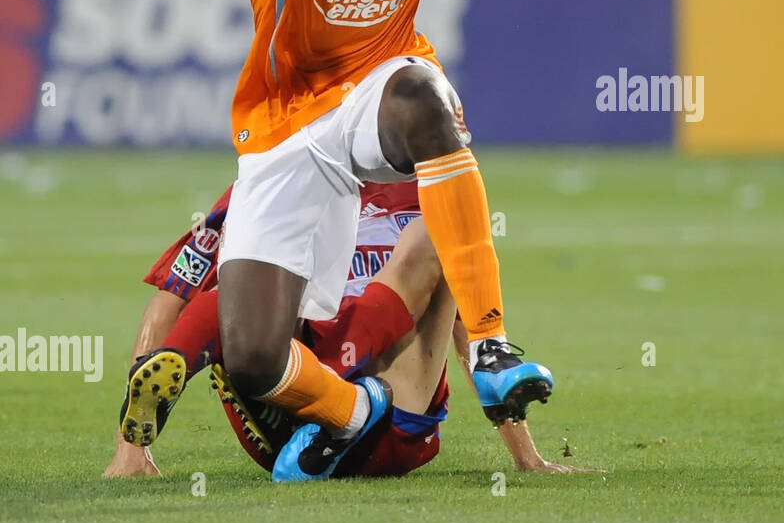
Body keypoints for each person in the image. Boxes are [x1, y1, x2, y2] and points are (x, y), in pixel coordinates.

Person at [146, 0, 784, 481]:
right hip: (282, 120)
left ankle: (491, 345)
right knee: (252, 356)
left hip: (376, 88)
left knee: (423, 99)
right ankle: (355, 413)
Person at [107, 182, 592, 480]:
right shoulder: (272, 177)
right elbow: (174, 293)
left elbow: (470, 329)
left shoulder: (429, 187)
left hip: (394, 405)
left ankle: (345, 407)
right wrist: (132, 450)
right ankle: (334, 403)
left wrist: (527, 456)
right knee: (235, 285)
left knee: (442, 229)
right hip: (288, 414)